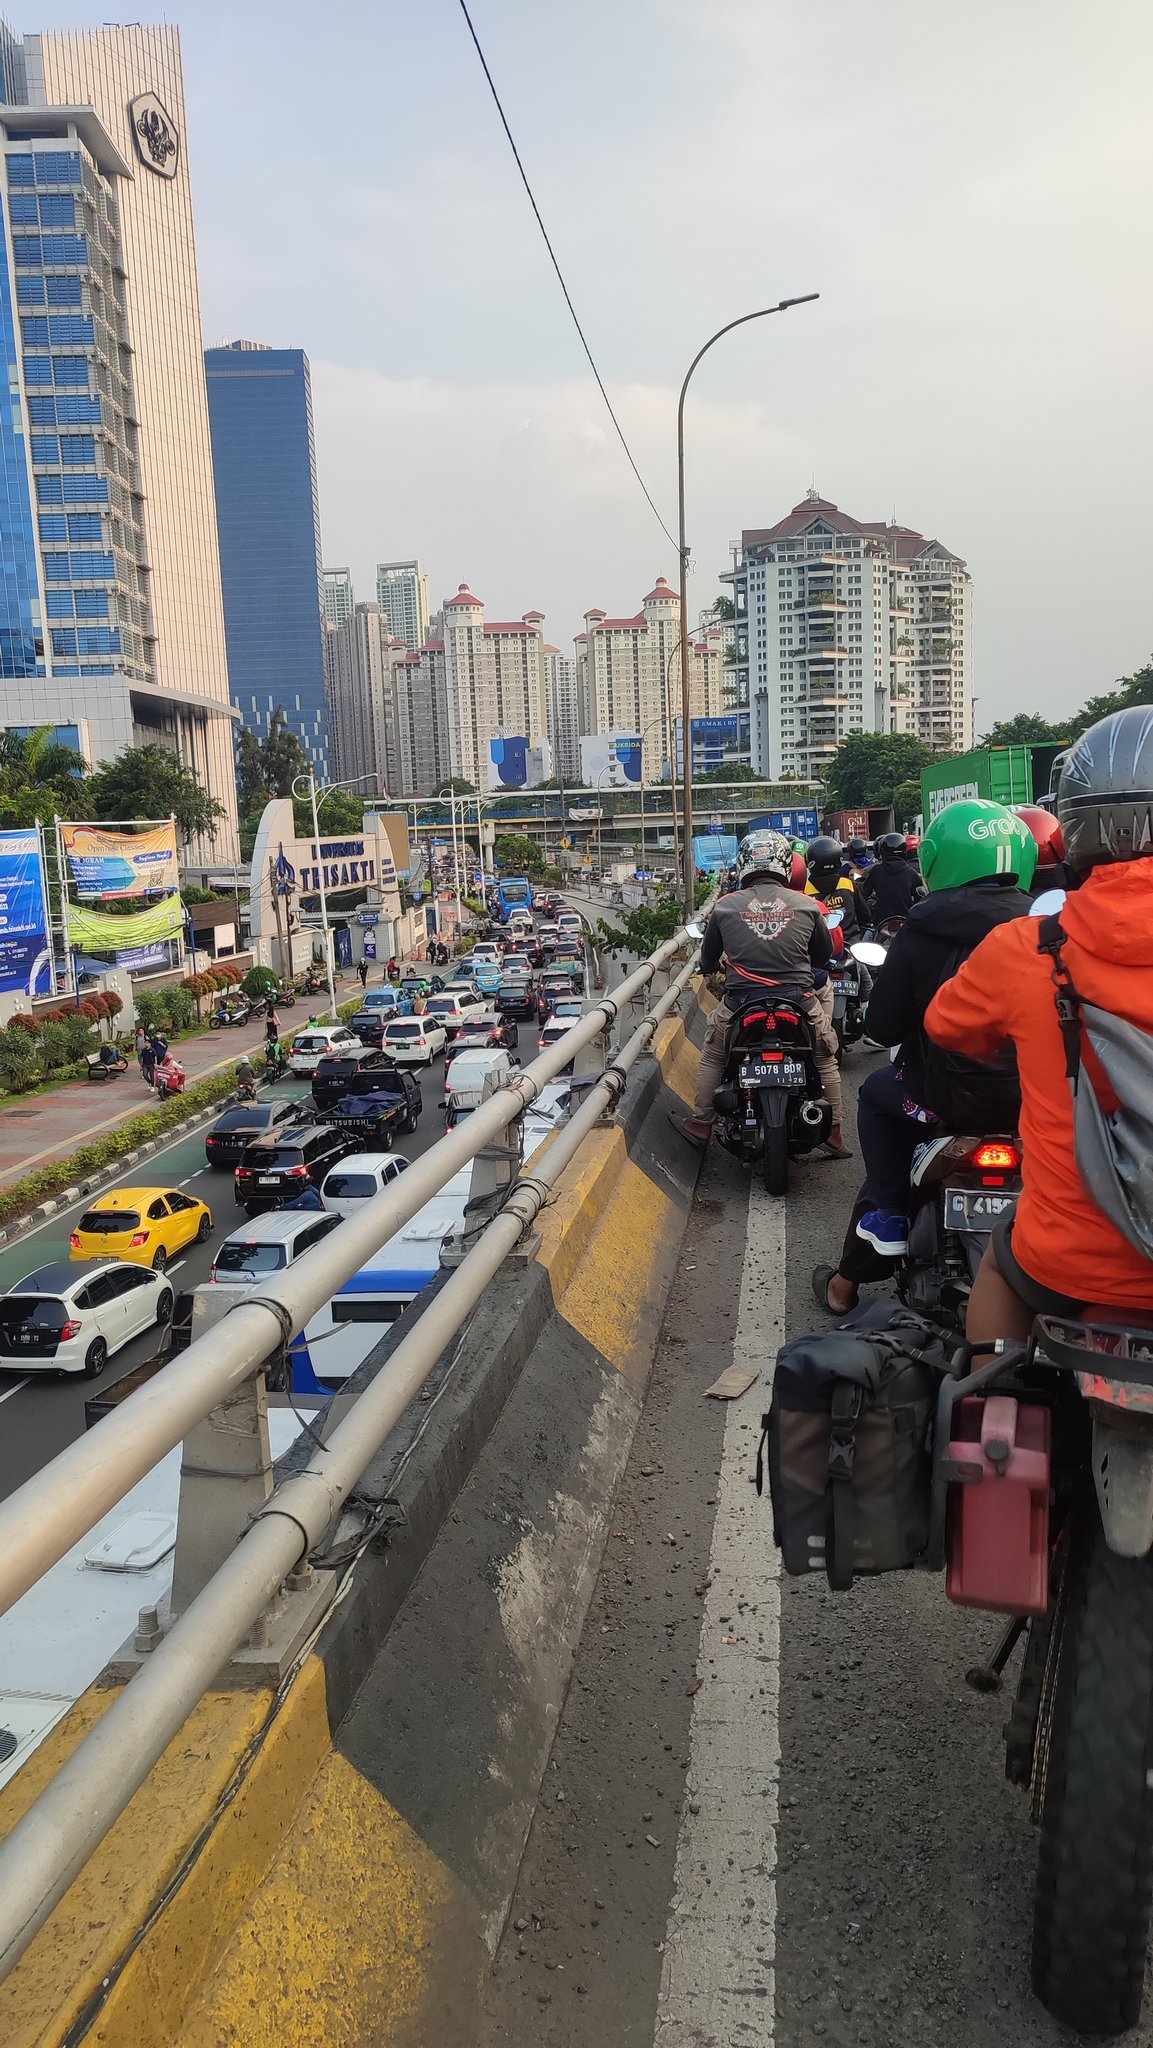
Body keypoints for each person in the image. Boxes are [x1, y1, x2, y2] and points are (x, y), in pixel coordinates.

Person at [925, 709, 1153, 1341]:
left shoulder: (1028, 948)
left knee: (1000, 1269)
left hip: (1068, 1258)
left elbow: (946, 1025)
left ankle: (987, 1399)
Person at [813, 800, 1037, 1313]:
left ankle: (882, 1228)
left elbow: (882, 1027)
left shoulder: (921, 928)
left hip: (942, 1100)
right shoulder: (1049, 924)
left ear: (936, 859)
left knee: (875, 1094)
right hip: (1037, 1103)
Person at [675, 830, 850, 1157]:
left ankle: (702, 1123)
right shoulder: (808, 905)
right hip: (799, 1000)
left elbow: (708, 959)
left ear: (743, 863)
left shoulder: (725, 907)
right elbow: (823, 955)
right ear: (785, 864)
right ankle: (835, 1132)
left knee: (714, 1055)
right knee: (824, 1056)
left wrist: (713, 967)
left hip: (740, 1003)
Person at [859, 831, 924, 923]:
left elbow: (863, 894)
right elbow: (921, 900)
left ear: (882, 851)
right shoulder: (911, 873)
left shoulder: (876, 871)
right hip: (906, 923)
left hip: (880, 922)